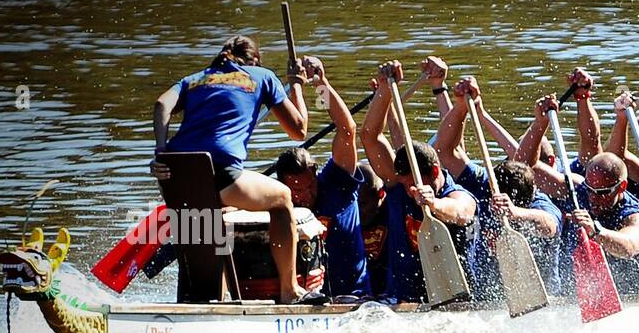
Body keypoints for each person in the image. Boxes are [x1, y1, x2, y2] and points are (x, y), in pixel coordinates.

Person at [151, 34, 319, 304]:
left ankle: (207, 298)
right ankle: (290, 291)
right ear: (255, 59)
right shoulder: (262, 76)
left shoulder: (194, 79)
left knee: (205, 219)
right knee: (282, 198)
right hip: (219, 170)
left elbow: (161, 105)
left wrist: (160, 151)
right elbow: (298, 130)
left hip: (174, 172)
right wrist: (296, 85)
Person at [434, 77, 565, 298]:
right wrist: (461, 108)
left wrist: (515, 212)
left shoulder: (540, 202)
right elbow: (446, 151)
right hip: (484, 298)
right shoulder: (487, 186)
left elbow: (548, 225)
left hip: (541, 298)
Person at [359, 61, 477, 304]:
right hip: (403, 300)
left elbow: (461, 213)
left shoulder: (460, 195)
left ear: (435, 171)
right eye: (403, 183)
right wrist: (383, 90)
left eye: (412, 183)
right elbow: (370, 136)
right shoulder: (398, 184)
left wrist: (434, 204)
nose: (408, 189)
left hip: (457, 301)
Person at [272, 56, 370, 300]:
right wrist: (294, 86)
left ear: (315, 176)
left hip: (354, 296)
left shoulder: (337, 183)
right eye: (294, 191)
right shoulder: (276, 204)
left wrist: (320, 84)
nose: (303, 196)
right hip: (304, 299)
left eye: (308, 187)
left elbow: (347, 130)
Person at [566, 151, 639, 295]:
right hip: (585, 293)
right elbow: (534, 167)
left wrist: (595, 230)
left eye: (603, 192)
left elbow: (629, 247)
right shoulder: (580, 192)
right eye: (590, 189)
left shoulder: (635, 217)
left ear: (622, 187)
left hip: (628, 296)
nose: (593, 198)